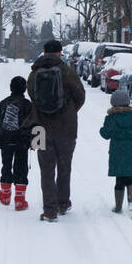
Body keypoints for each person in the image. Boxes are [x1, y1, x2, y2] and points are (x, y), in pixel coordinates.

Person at [27, 39, 87, 223]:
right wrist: (68, 111)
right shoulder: (67, 72)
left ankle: (49, 210)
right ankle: (63, 203)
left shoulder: (34, 73)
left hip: (40, 127)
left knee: (45, 169)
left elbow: (32, 95)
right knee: (64, 166)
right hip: (66, 128)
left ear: (44, 52)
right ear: (60, 52)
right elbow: (80, 96)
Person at [100, 89, 132, 218]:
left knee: (119, 180)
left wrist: (102, 129)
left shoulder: (111, 118)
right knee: (131, 180)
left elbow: (105, 134)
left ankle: (118, 206)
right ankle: (131, 204)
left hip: (118, 154)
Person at [0, 75, 33, 211]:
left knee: (6, 166)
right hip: (22, 142)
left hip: (5, 140)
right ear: (24, 89)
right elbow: (34, 123)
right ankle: (20, 200)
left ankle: (5, 196)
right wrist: (34, 141)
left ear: (11, 88)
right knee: (21, 168)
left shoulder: (3, 103)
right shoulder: (28, 105)